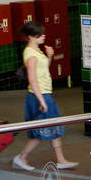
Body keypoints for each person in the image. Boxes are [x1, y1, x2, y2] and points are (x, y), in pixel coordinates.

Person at [13, 21, 77, 171]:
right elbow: (32, 79)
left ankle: (60, 160)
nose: (43, 36)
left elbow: (42, 71)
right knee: (41, 132)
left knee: (53, 128)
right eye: (39, 35)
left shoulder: (37, 50)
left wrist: (49, 57)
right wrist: (42, 101)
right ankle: (21, 157)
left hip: (44, 93)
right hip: (39, 96)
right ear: (30, 37)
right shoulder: (31, 54)